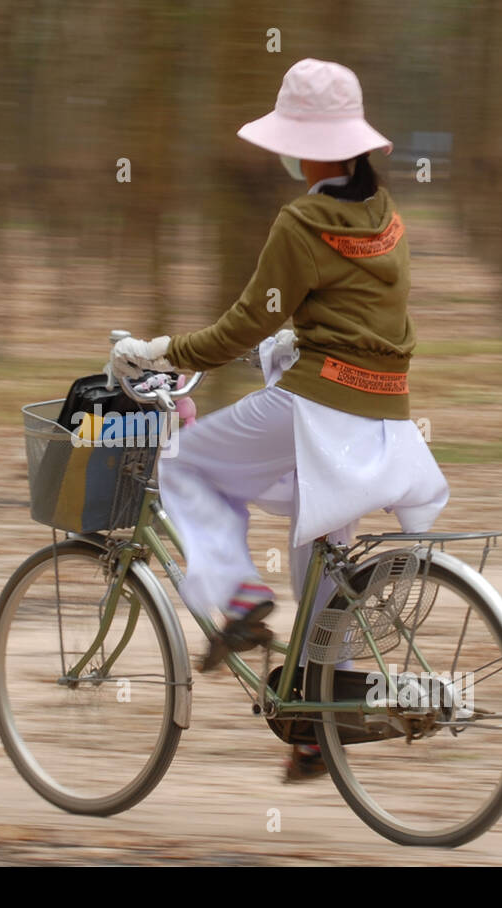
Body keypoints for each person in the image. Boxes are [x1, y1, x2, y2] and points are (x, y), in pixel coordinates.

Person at [110, 58, 449, 780]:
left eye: (295, 139)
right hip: (383, 413)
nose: (289, 154)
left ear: (318, 147)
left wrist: (158, 351)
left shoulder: (301, 221)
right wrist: (299, 335)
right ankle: (317, 721)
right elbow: (367, 311)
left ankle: (237, 603)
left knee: (183, 461)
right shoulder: (383, 216)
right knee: (320, 541)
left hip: (319, 403)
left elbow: (237, 329)